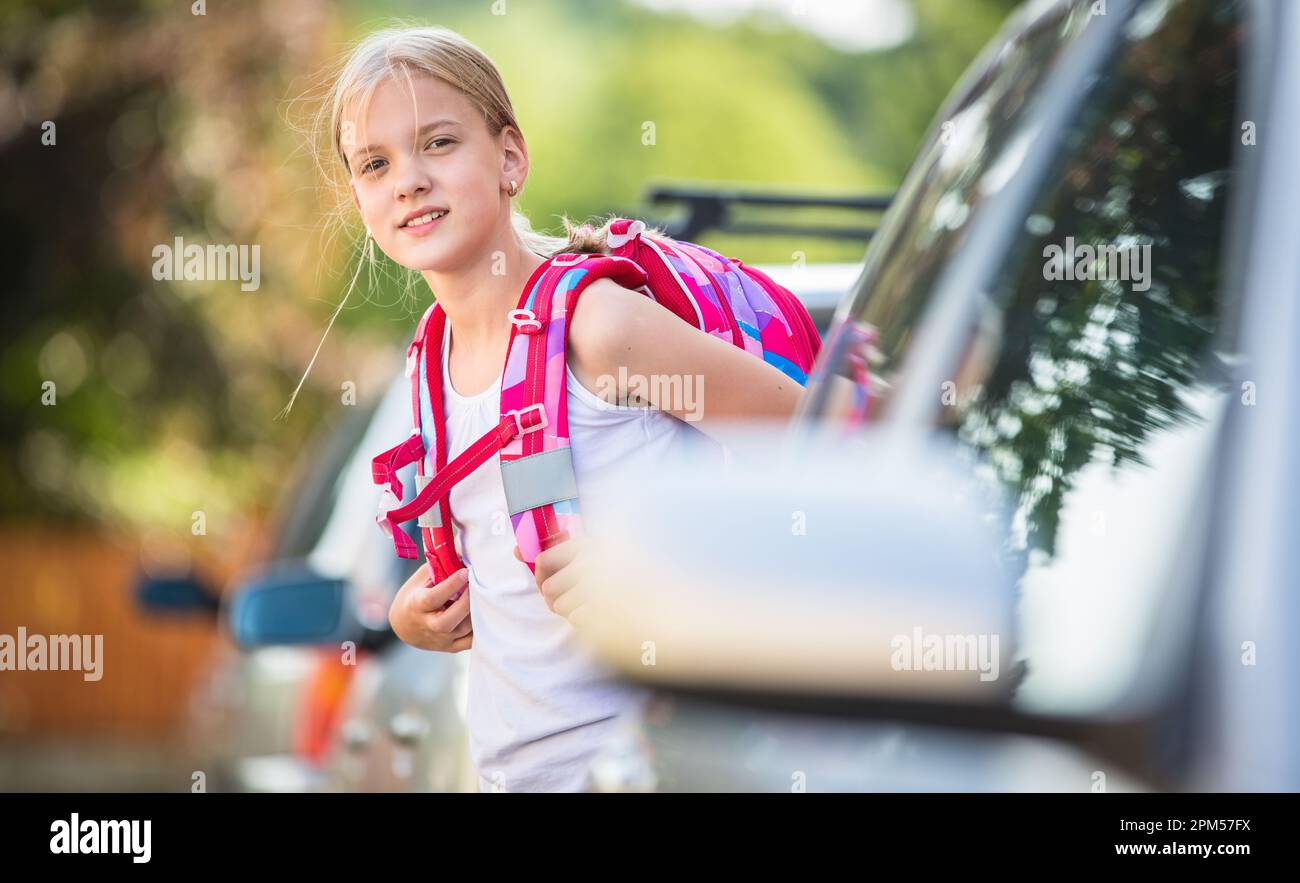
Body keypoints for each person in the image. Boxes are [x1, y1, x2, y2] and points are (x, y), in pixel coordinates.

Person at [318, 24, 802, 791]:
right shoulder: (429, 366)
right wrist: (413, 617)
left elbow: (825, 452)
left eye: (438, 143)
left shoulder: (599, 327)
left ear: (510, 158)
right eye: (375, 163)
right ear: (359, 197)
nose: (407, 180)